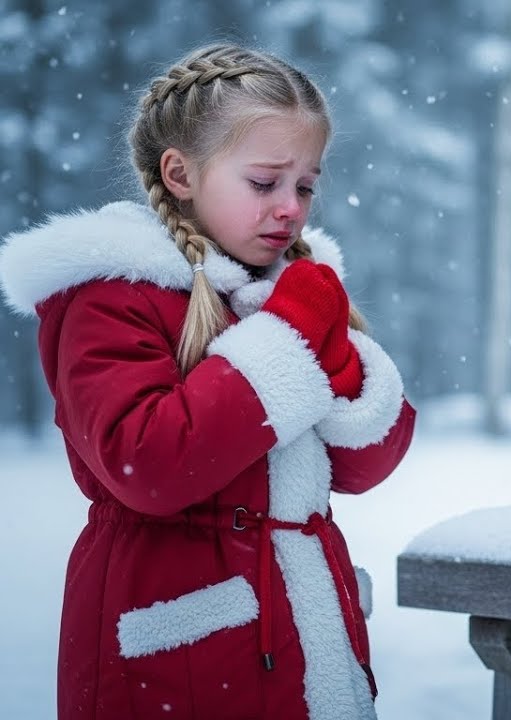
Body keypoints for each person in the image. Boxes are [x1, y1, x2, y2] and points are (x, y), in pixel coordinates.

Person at [0, 44, 416, 720]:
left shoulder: (285, 294)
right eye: (264, 182)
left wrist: (337, 360)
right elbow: (151, 465)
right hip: (180, 658)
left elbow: (367, 465)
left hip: (299, 636)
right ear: (181, 174)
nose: (290, 209)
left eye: (305, 186)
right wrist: (287, 343)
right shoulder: (112, 295)